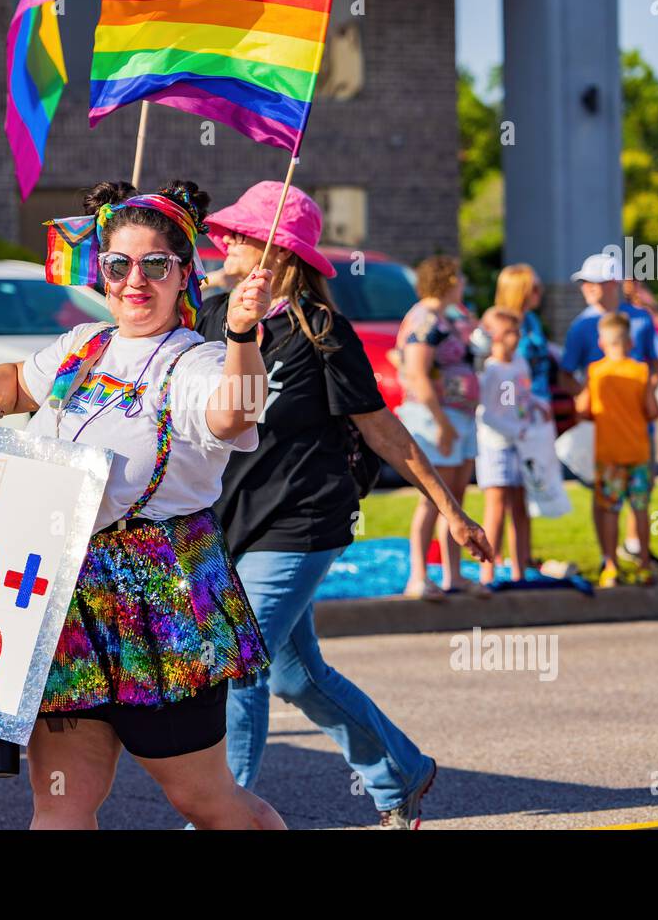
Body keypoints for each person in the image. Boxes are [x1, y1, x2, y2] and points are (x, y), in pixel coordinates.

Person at [0, 180, 284, 830]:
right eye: (119, 264)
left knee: (202, 797)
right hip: (59, 598)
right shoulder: (84, 346)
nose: (135, 280)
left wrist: (242, 334)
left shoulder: (196, 362)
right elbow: (15, 381)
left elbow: (236, 409)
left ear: (186, 273)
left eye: (156, 265)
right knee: (63, 799)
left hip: (161, 603)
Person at [194, 181, 492, 828]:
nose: (228, 242)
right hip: (234, 524)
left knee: (239, 667)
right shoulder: (214, 318)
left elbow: (383, 429)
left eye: (244, 235)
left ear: (278, 253)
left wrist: (451, 509)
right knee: (295, 675)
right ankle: (403, 772)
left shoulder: (322, 332)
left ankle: (220, 818)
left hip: (303, 523)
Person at [560, 253, 658, 571]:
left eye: (593, 282)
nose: (587, 288)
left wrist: (640, 394)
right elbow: (567, 372)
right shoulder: (581, 326)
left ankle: (630, 551)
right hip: (604, 433)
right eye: (585, 283)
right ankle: (613, 559)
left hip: (635, 430)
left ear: (611, 284)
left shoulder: (641, 319)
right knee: (606, 497)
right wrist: (592, 400)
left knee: (633, 496)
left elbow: (655, 362)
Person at [395, 255, 490, 599]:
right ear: (448, 280)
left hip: (459, 418)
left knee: (457, 500)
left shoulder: (448, 317)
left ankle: (454, 575)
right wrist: (442, 423)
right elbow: (418, 374)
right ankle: (419, 577)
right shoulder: (423, 319)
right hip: (435, 418)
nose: (464, 283)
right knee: (433, 500)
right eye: (460, 278)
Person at [574, 313, 658, 587]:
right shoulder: (641, 371)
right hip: (638, 451)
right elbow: (652, 411)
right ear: (630, 341)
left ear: (602, 342)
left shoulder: (596, 372)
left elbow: (583, 410)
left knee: (609, 509)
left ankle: (610, 565)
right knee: (641, 509)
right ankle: (644, 565)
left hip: (608, 454)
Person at [475, 307, 540, 585]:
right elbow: (486, 413)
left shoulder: (520, 363)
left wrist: (538, 407)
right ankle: (487, 572)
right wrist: (515, 429)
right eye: (510, 332)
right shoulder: (491, 371)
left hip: (520, 444)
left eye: (517, 331)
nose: (516, 338)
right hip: (496, 446)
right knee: (496, 508)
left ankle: (520, 569)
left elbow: (523, 397)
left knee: (520, 506)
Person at [494, 263, 553, 405]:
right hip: (517, 405)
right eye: (535, 288)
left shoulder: (531, 319)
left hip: (541, 401)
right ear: (520, 291)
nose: (541, 292)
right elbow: (502, 371)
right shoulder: (500, 322)